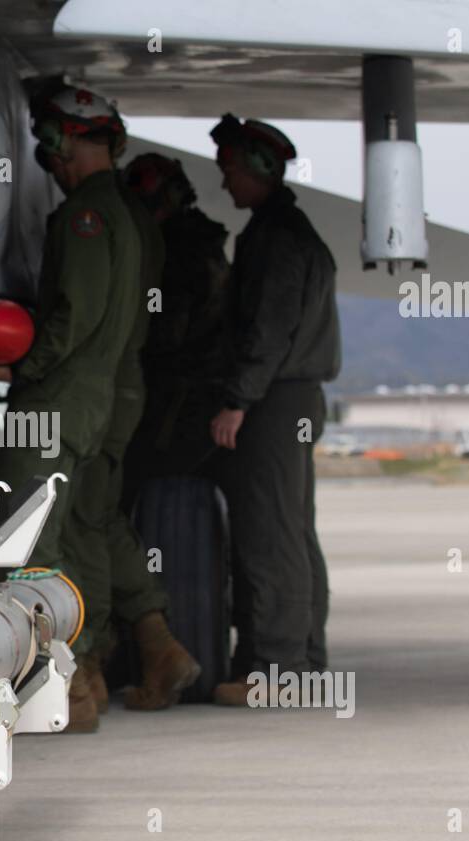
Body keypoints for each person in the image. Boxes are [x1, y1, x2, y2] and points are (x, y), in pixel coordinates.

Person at [0, 85, 142, 731]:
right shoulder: (122, 216)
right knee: (72, 537)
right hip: (91, 402)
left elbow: (74, 315)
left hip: (53, 401)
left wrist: (20, 366)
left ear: (65, 140)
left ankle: (63, 690)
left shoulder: (84, 218)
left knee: (30, 547)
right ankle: (88, 678)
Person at [204, 115, 341, 705]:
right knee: (291, 530)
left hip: (275, 400)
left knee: (268, 534)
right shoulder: (288, 230)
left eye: (231, 170)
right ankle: (300, 659)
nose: (225, 182)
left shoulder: (276, 238)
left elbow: (269, 329)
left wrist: (238, 400)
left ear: (257, 171)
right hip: (292, 397)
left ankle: (280, 671)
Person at [63, 157, 203, 718]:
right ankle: (155, 643)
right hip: (124, 391)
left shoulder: (108, 221)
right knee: (100, 518)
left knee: (79, 523)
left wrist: (35, 364)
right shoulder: (147, 230)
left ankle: (88, 668)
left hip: (102, 388)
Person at [120, 153, 233, 513]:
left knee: (139, 484)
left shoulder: (177, 252)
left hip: (177, 394)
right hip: (194, 391)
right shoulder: (201, 244)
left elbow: (165, 334)